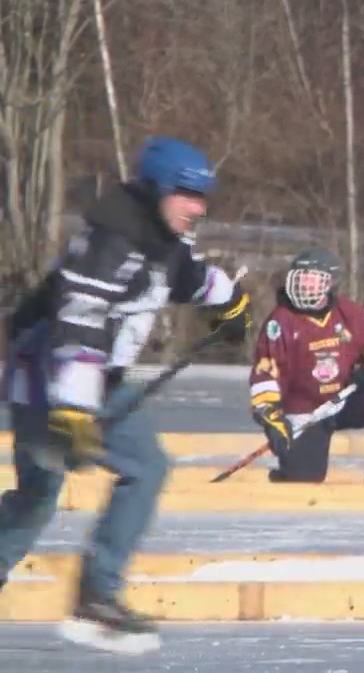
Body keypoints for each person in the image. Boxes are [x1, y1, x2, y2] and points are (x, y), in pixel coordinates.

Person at [0, 136, 251, 653]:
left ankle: (97, 593)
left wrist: (230, 305)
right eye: (186, 194)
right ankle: (98, 595)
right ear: (158, 189)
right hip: (53, 375)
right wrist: (73, 407)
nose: (197, 207)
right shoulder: (110, 242)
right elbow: (80, 322)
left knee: (39, 496)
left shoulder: (162, 240)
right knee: (118, 475)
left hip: (91, 379)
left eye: (202, 197)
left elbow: (191, 277)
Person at [248, 248, 364, 483]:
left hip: (344, 400)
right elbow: (265, 374)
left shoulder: (348, 312)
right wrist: (271, 416)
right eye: (301, 278)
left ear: (330, 283)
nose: (305, 285)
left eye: (313, 279)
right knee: (303, 481)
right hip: (306, 414)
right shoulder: (280, 321)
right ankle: (287, 472)